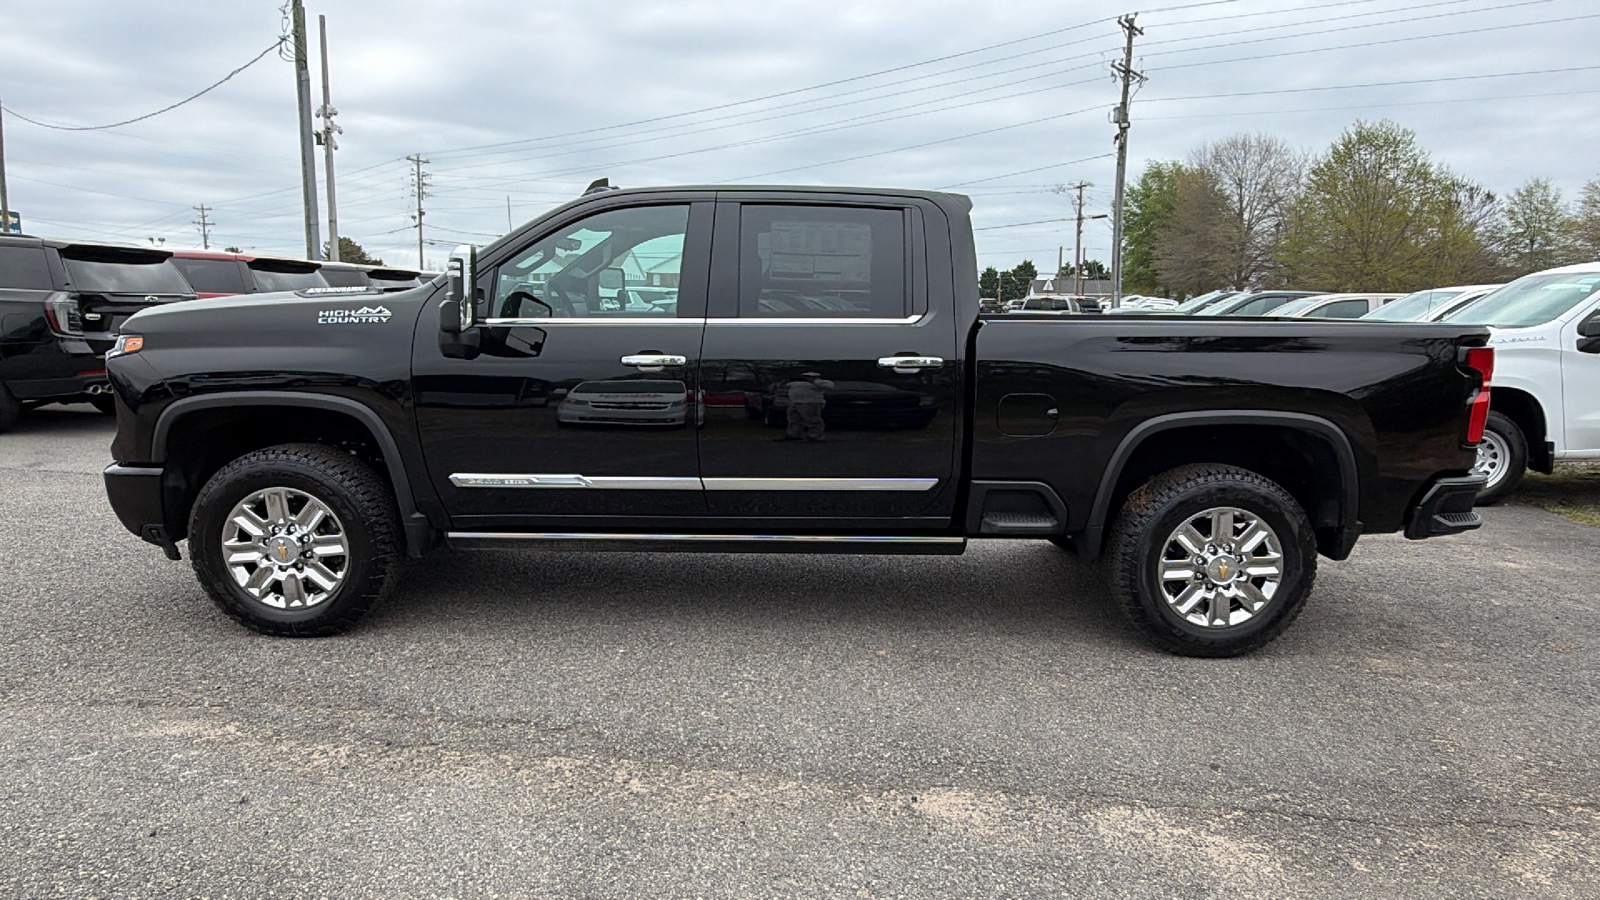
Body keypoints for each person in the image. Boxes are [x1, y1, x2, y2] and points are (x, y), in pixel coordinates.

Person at [777, 371, 833, 442]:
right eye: (807, 376)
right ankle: (793, 434)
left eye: (810, 376)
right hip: (795, 402)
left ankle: (815, 436)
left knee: (811, 419)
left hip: (810, 402)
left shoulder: (820, 383)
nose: (808, 378)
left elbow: (830, 386)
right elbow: (783, 386)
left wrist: (815, 381)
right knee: (794, 419)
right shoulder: (797, 383)